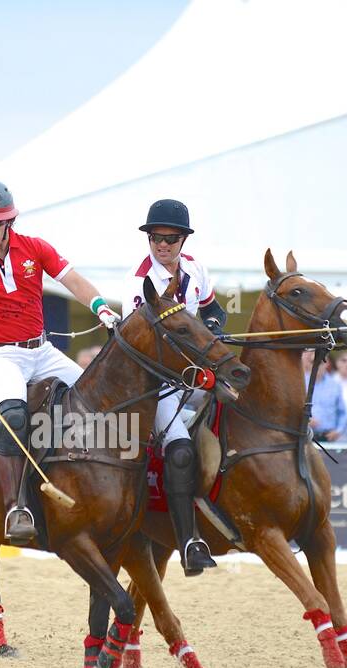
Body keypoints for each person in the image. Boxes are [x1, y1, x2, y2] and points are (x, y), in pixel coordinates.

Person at [0, 181, 122, 546]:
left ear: (10, 220)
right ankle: (15, 506)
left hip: (41, 350)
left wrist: (100, 306)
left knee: (97, 400)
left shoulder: (34, 248)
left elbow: (72, 280)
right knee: (13, 417)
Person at [124, 199, 227, 575]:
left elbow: (214, 310)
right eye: (155, 238)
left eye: (170, 238)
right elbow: (138, 341)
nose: (162, 245)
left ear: (183, 239)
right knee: (181, 450)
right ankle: (189, 543)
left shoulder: (196, 268)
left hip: (195, 374)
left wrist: (213, 329)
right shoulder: (139, 281)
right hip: (157, 381)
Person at [305, 351, 347, 442]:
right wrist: (305, 420)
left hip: (329, 436)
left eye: (319, 362)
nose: (316, 366)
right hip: (306, 435)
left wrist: (338, 431)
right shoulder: (301, 384)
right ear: (308, 364)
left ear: (326, 364)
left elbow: (342, 413)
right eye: (313, 362)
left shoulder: (335, 385)